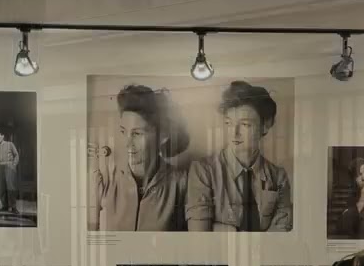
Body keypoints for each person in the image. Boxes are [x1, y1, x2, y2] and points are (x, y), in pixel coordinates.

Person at [187, 81, 292, 232]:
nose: (234, 133)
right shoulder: (203, 171)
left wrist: (219, 227)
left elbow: (280, 237)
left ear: (266, 125)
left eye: (245, 125)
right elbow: (200, 236)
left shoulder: (278, 177)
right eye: (228, 123)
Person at [89, 85, 189, 231]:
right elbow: (87, 234)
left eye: (137, 134)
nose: (127, 143)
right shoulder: (105, 178)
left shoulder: (181, 184)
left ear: (163, 136)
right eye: (123, 132)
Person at [334, 157, 364, 239]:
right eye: (359, 175)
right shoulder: (350, 199)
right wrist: (362, 201)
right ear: (354, 180)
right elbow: (341, 228)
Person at [0, 130, 21, 213]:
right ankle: (4, 206)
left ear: (2, 136)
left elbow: (16, 155)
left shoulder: (10, 144)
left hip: (9, 167)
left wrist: (13, 165)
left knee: (10, 187)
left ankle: (13, 207)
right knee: (2, 188)